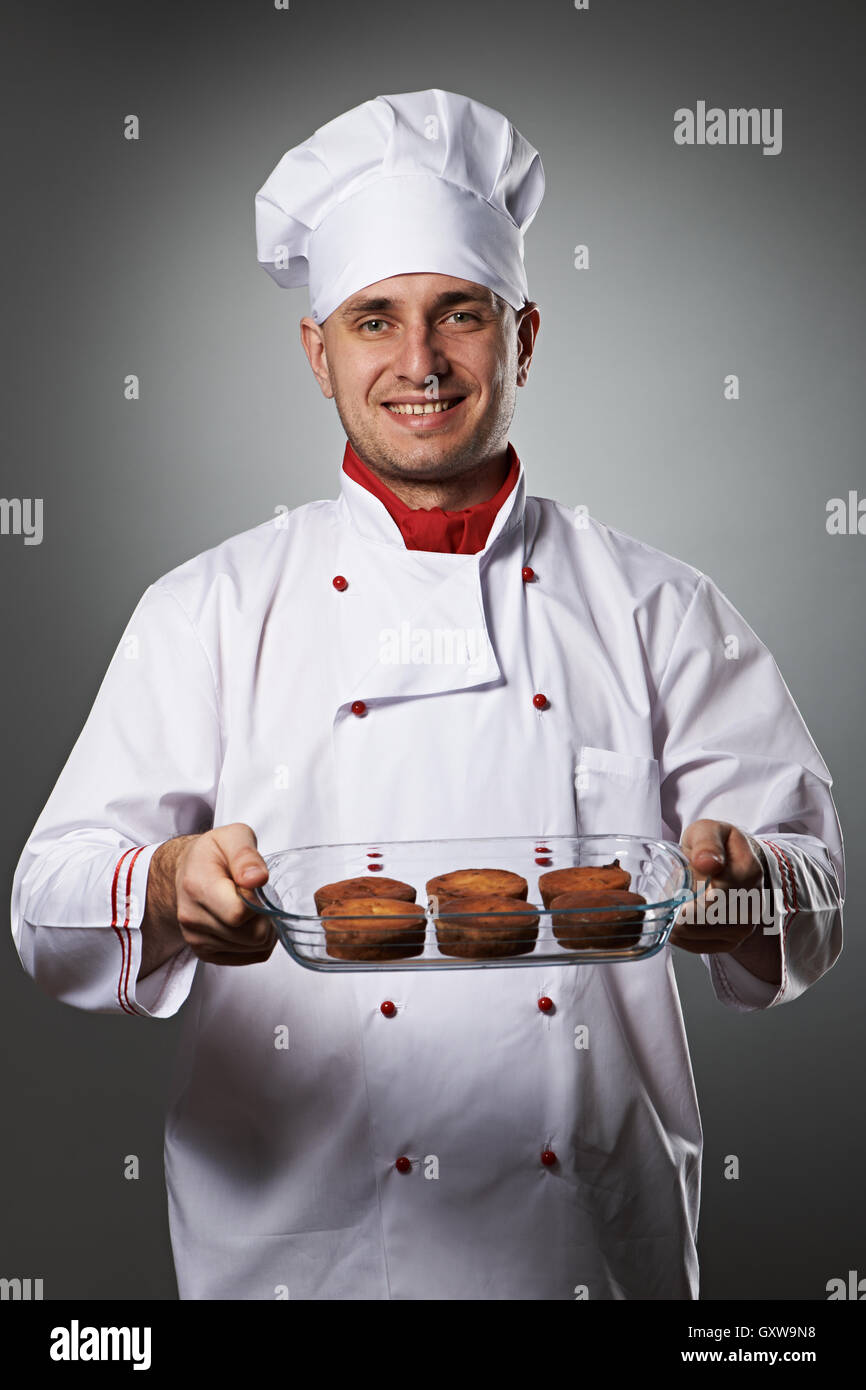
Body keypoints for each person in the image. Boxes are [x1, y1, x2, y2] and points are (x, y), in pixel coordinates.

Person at [10, 89, 844, 1301]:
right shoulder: (209, 609)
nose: (417, 363)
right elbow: (45, 901)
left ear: (524, 336)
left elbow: (816, 890)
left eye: (459, 314)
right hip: (299, 1263)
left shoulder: (657, 606)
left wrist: (747, 883)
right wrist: (164, 885)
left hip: (589, 1261)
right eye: (372, 321)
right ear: (316, 351)